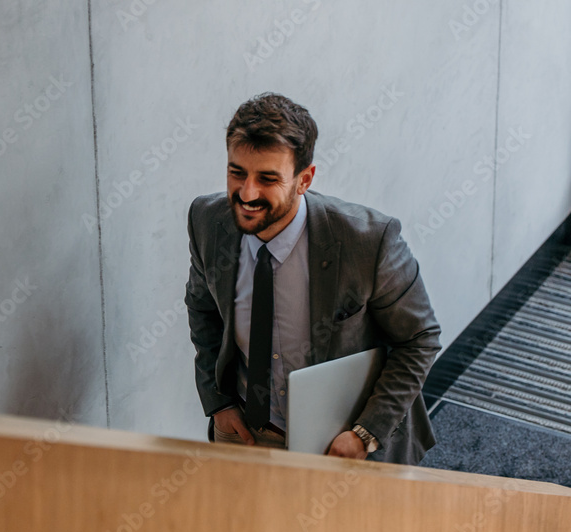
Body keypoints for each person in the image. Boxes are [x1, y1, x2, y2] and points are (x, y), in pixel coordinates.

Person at [184, 92, 441, 465]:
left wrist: (365, 433)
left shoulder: (368, 241)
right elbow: (202, 308)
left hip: (342, 440)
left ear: (304, 179)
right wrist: (217, 400)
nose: (247, 193)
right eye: (236, 172)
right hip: (245, 434)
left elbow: (420, 339)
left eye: (267, 178)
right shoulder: (207, 220)